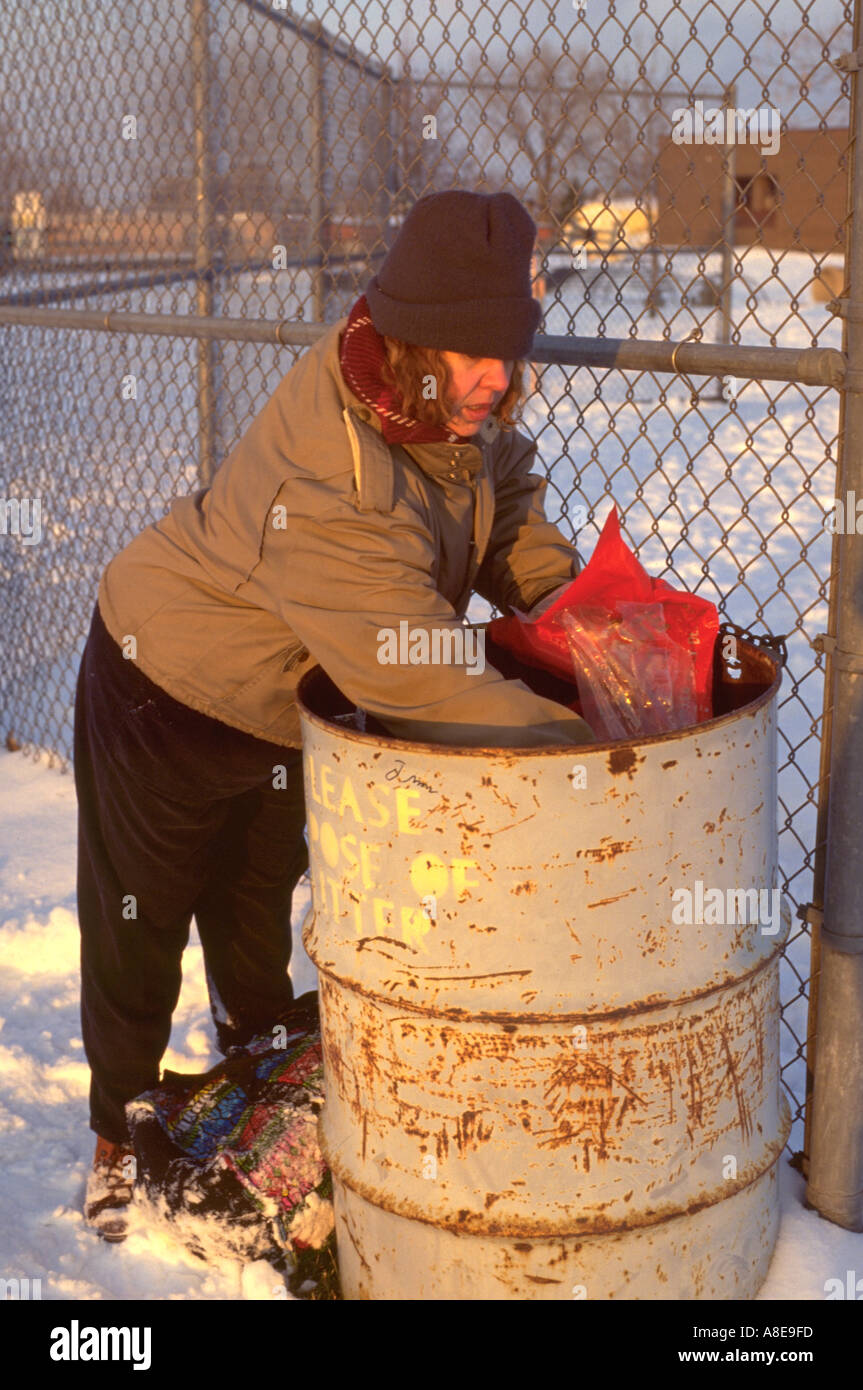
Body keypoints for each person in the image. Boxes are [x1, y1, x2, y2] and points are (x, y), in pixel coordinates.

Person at [75, 187, 595, 1241]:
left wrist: (570, 610)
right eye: (471, 351)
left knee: (257, 907)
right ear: (413, 341)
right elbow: (420, 675)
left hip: (286, 701)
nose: (497, 376)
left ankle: (251, 1084)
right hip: (166, 687)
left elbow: (505, 501)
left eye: (508, 347)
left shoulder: (443, 398)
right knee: (142, 917)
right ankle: (115, 1127)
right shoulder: (329, 472)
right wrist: (589, 743)